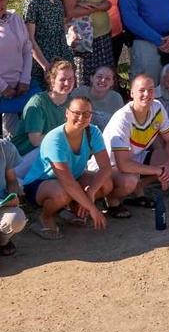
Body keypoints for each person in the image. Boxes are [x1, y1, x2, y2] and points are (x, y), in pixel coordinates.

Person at [21, 94, 115, 238]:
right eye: (76, 113)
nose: (81, 117)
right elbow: (68, 183)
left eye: (86, 114)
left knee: (105, 184)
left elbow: (106, 167)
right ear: (67, 113)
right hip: (39, 183)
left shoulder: (92, 131)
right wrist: (93, 208)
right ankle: (45, 218)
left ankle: (73, 209)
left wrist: (91, 192)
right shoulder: (55, 138)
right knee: (62, 193)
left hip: (73, 177)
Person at [103, 73, 169, 215]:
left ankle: (139, 187)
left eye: (151, 90)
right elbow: (123, 164)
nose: (147, 94)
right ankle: (111, 199)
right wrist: (160, 171)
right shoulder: (123, 119)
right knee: (129, 181)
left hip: (135, 157)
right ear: (131, 93)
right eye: (141, 90)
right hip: (111, 164)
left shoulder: (157, 107)